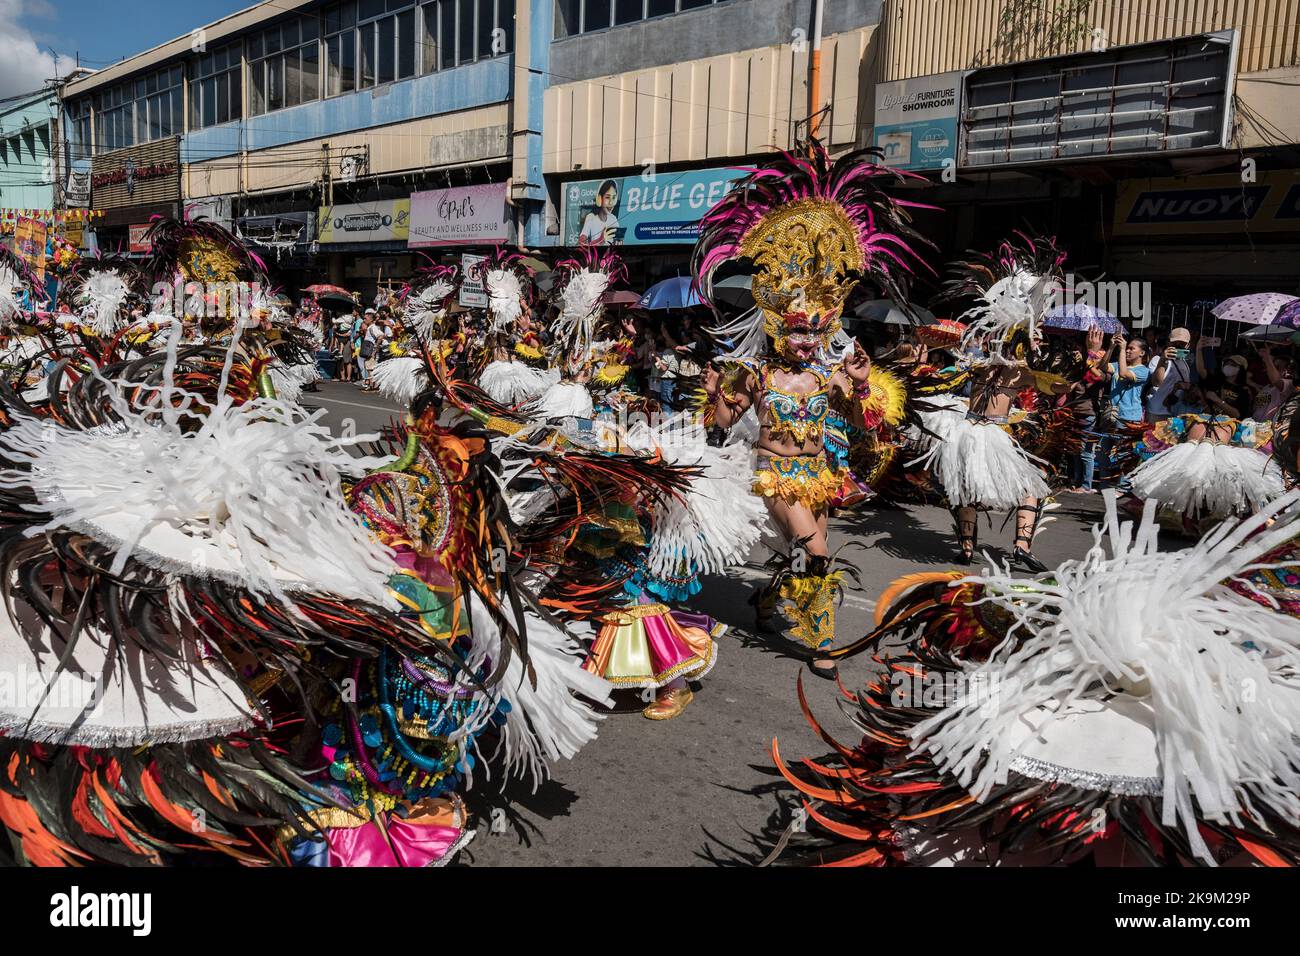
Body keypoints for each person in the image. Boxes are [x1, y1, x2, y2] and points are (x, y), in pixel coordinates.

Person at [698, 140, 928, 680]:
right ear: (778, 328)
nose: (805, 341)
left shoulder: (828, 376)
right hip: (775, 475)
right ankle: (823, 642)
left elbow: (865, 419)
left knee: (804, 553)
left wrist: (865, 381)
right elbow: (720, 428)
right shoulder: (753, 374)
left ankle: (764, 604)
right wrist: (715, 393)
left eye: (813, 332)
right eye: (797, 331)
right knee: (816, 551)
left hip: (820, 474)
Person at [1146, 326, 1195, 422]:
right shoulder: (1156, 360)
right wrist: (1163, 360)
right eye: (1174, 342)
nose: (1178, 345)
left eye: (1182, 343)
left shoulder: (1185, 363)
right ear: (1168, 342)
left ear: (1188, 345)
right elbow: (1156, 382)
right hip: (1157, 412)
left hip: (1176, 413)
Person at [578, 180, 620, 245]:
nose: (611, 202)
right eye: (607, 197)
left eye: (614, 197)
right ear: (599, 199)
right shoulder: (591, 217)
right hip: (596, 254)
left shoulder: (613, 218)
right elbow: (581, 243)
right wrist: (601, 239)